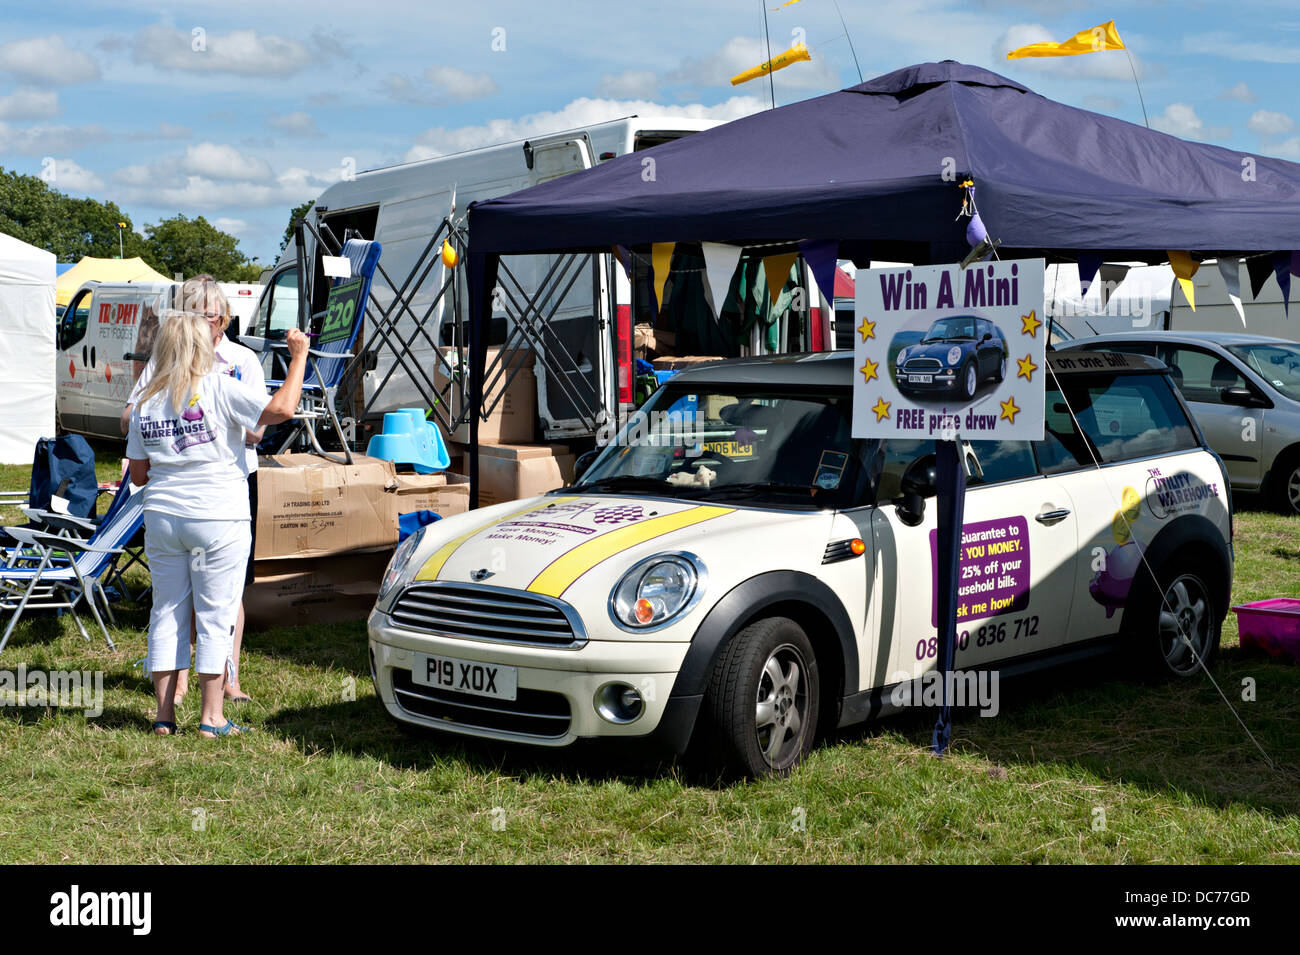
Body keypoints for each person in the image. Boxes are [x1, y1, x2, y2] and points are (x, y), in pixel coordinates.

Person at [126, 309, 308, 737]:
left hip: (164, 516)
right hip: (217, 514)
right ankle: (211, 718)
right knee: (215, 613)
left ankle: (164, 716)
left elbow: (137, 473)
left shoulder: (145, 401)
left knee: (166, 611)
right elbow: (282, 409)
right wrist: (298, 356)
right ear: (202, 346)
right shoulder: (219, 386)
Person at [122, 276, 265, 705]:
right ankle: (184, 688)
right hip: (195, 499)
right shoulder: (165, 361)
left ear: (221, 316)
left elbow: (260, 425)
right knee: (181, 597)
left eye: (204, 312)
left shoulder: (242, 361)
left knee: (225, 593)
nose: (197, 320)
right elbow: (132, 413)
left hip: (229, 482)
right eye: (189, 310)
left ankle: (228, 679)